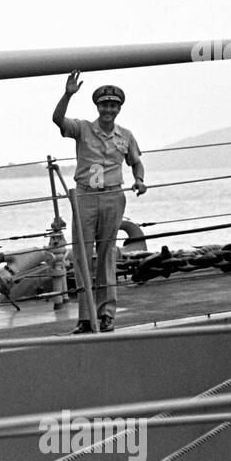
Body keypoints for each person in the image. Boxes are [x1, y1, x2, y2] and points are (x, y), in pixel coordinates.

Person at [52, 71, 147, 333]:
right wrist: (68, 94)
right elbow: (57, 119)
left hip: (113, 196)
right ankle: (86, 317)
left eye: (113, 105)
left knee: (106, 256)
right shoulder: (82, 129)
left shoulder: (126, 135)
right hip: (85, 196)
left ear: (119, 108)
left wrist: (139, 180)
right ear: (98, 107)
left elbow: (136, 162)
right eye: (104, 104)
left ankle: (106, 315)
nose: (109, 109)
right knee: (82, 256)